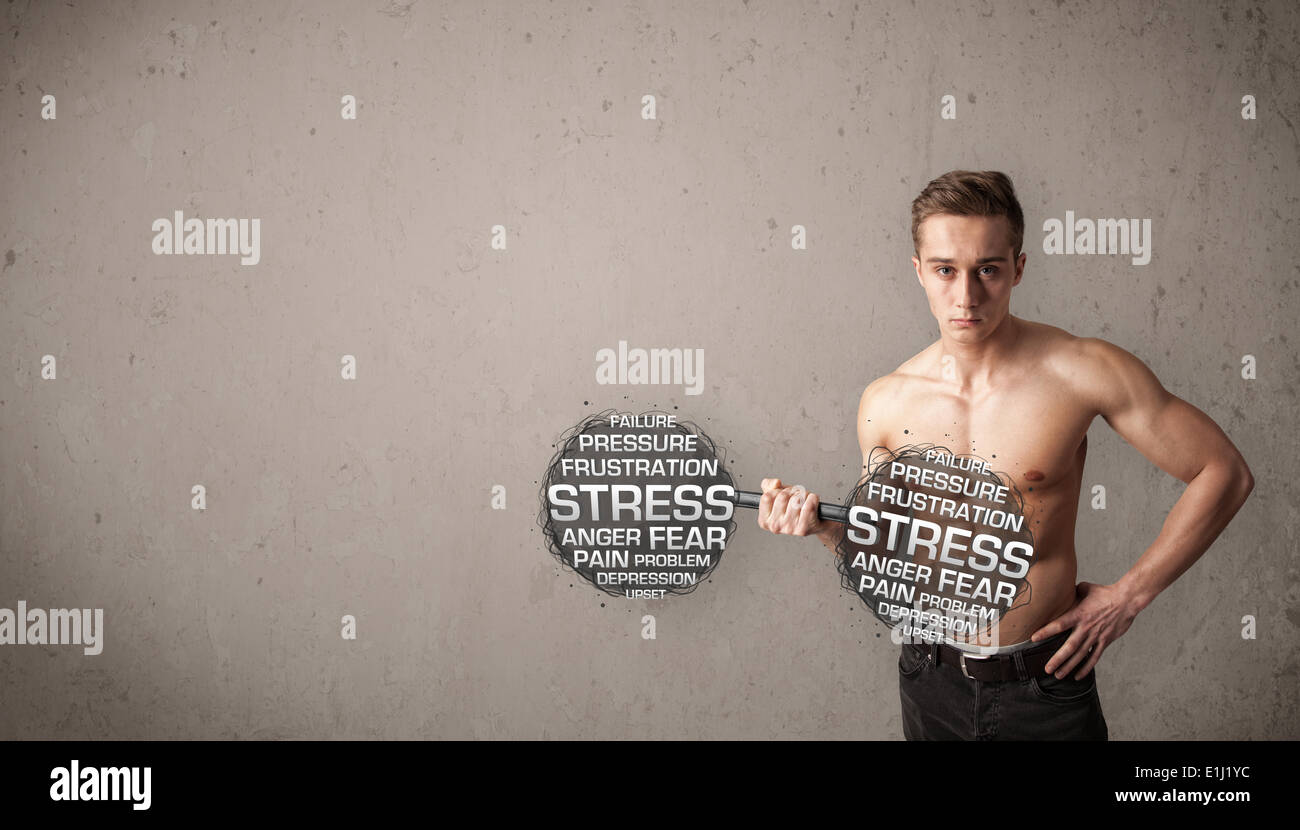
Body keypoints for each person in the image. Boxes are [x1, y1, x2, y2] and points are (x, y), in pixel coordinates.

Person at [756, 170, 1254, 740]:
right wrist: (822, 528)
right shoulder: (886, 402)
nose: (966, 296)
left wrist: (1129, 596)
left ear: (1018, 268)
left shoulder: (1081, 369)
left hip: (1042, 682)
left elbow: (1224, 472)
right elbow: (886, 558)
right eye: (945, 270)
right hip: (929, 676)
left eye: (987, 270)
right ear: (918, 271)